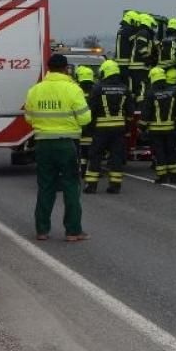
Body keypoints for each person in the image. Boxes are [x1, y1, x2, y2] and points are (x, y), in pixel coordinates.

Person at [24, 54, 92, 242]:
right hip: (66, 143)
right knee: (70, 185)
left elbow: (28, 118)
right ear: (65, 69)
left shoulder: (34, 90)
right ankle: (73, 231)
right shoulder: (73, 90)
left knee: (46, 186)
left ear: (48, 68)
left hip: (43, 143)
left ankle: (42, 230)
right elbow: (85, 118)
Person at [84, 59, 133, 195]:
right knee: (116, 157)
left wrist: (90, 128)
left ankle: (91, 186)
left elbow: (91, 110)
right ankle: (115, 186)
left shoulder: (98, 88)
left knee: (95, 156)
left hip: (101, 129)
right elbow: (130, 112)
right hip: (118, 130)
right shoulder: (125, 89)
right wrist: (127, 128)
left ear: (105, 72)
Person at [140, 66, 176, 184]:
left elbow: (146, 114)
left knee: (160, 153)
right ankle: (174, 175)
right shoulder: (173, 92)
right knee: (171, 151)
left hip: (156, 130)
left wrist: (141, 127)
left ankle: (162, 176)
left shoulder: (151, 94)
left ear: (153, 78)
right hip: (170, 129)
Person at [75, 65, 97, 175]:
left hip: (80, 125)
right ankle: (91, 169)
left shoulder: (76, 90)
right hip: (94, 125)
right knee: (93, 150)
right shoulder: (96, 90)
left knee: (83, 149)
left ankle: (83, 168)